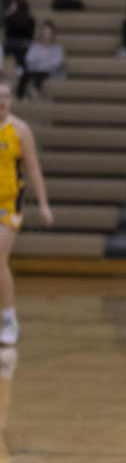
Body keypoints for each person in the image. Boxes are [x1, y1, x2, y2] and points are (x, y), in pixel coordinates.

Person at [0, 82, 53, 347]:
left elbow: (33, 170)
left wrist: (43, 204)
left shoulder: (20, 131)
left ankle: (10, 320)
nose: (2, 101)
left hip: (9, 204)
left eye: (6, 96)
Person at [18, 22, 65, 99]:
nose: (46, 35)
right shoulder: (35, 46)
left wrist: (40, 64)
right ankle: (20, 97)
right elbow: (29, 59)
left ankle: (34, 91)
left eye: (48, 33)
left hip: (49, 72)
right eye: (44, 33)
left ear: (52, 34)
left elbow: (56, 63)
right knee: (25, 75)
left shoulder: (57, 48)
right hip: (34, 70)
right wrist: (43, 63)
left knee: (40, 75)